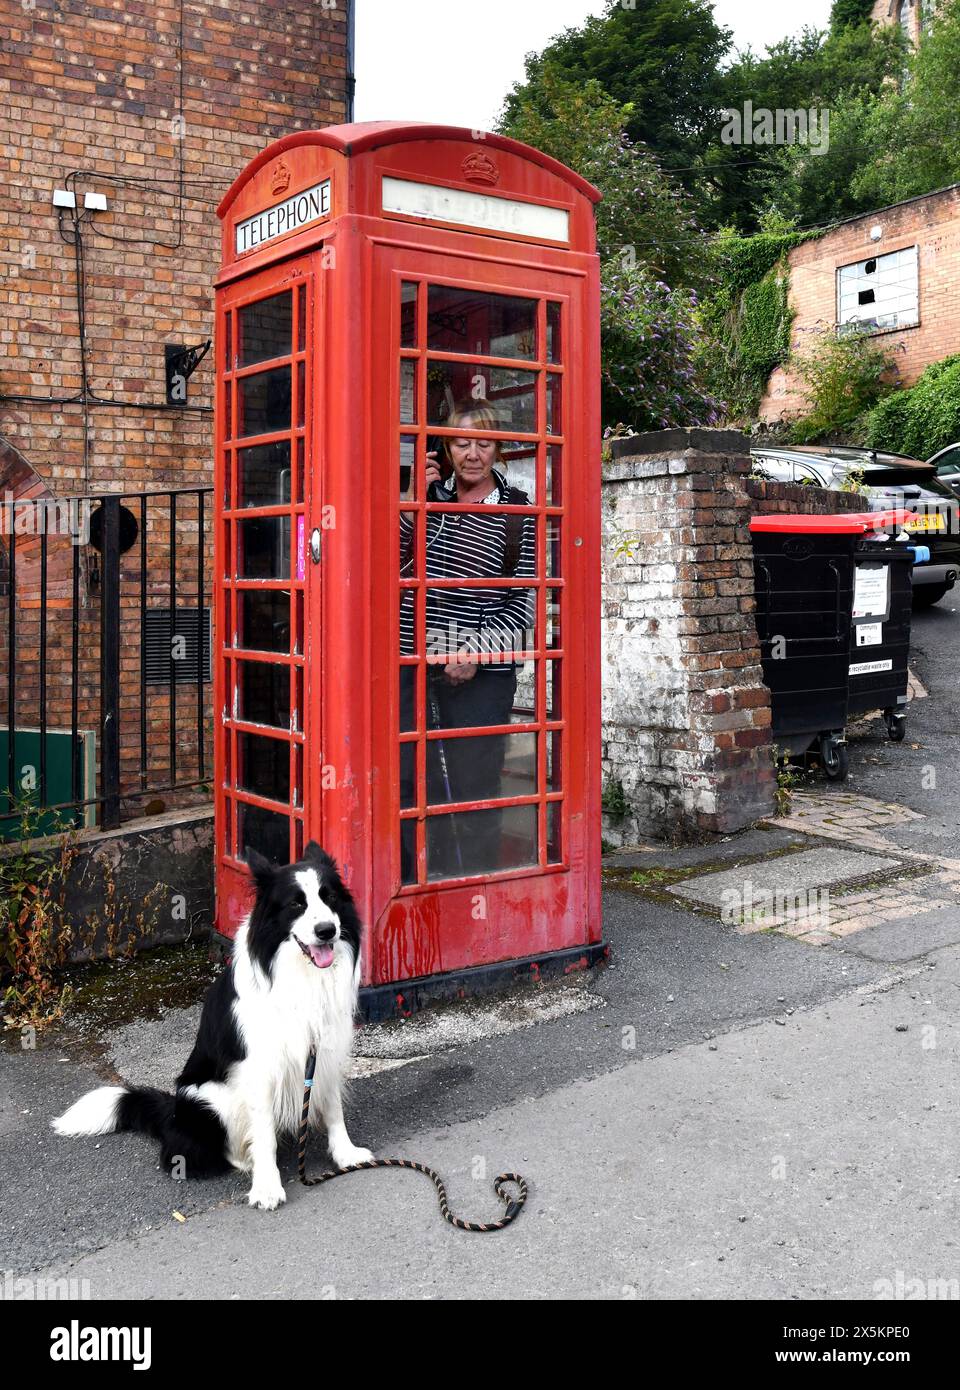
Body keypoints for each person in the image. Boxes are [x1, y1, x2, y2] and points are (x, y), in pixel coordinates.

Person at [399, 399, 536, 880]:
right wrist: (414, 499)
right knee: (413, 780)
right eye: (462, 442)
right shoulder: (426, 501)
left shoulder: (519, 512)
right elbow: (386, 567)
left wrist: (474, 650)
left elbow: (526, 603)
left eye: (483, 442)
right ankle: (424, 879)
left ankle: (478, 888)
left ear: (497, 449)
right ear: (445, 446)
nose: (472, 453)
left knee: (475, 783)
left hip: (480, 666)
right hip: (416, 656)